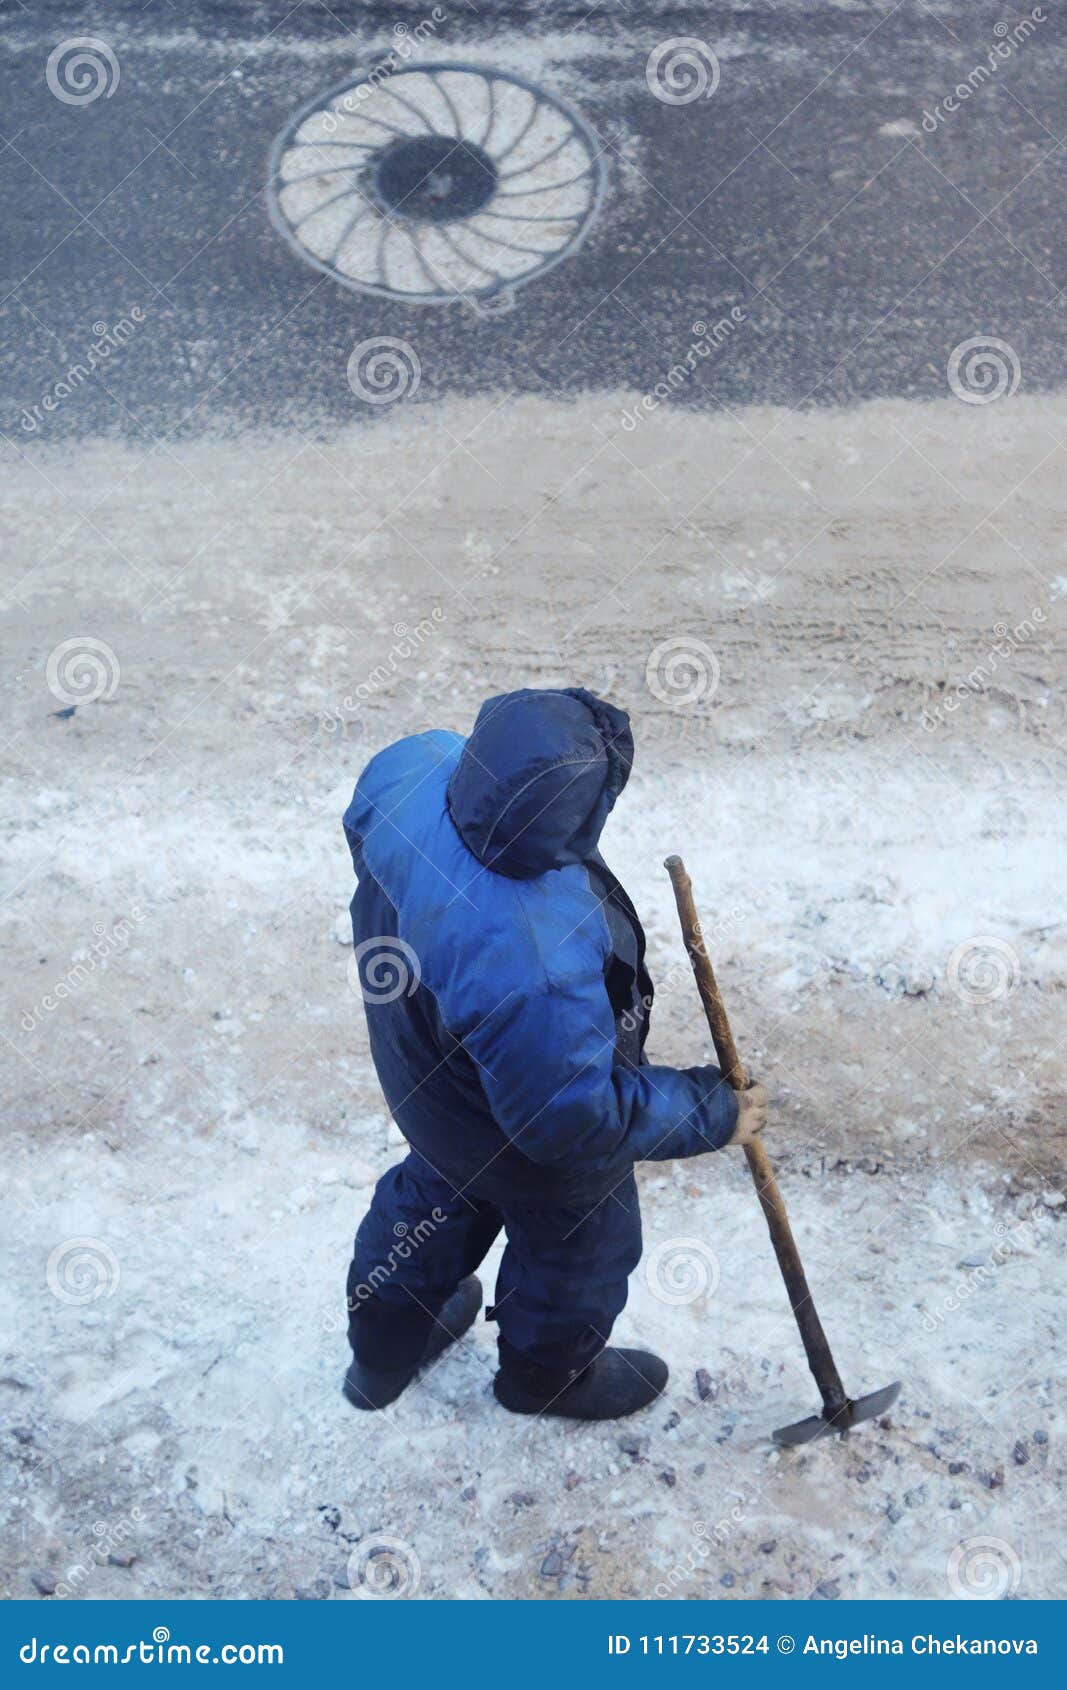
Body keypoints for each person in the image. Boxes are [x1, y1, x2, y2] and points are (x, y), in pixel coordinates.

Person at [340, 686, 768, 1421]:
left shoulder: (410, 773)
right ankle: (546, 1378)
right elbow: (567, 1118)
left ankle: (380, 1355)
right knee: (578, 1246)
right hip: (522, 1131)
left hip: (426, 1078)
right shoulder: (534, 958)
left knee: (433, 1200)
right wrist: (711, 1110)